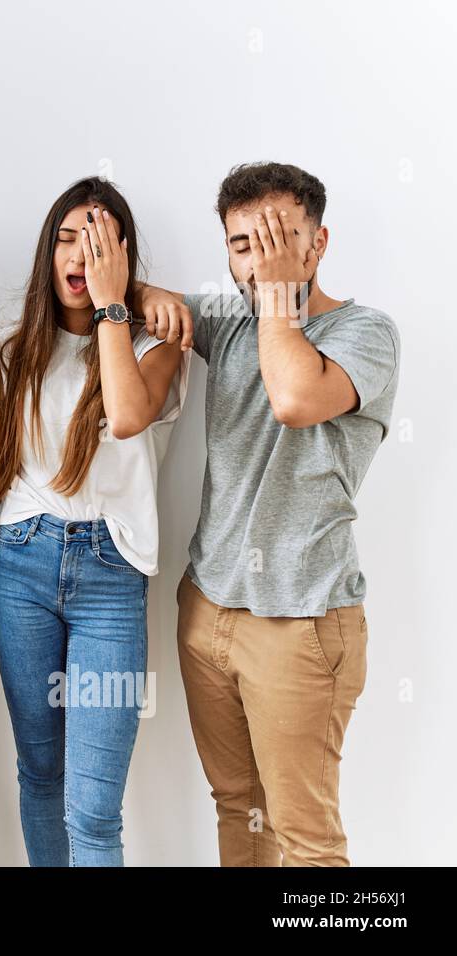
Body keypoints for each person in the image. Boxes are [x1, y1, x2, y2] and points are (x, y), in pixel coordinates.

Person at [134, 161, 401, 866]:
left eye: (279, 238)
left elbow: (293, 397)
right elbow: (129, 298)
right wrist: (136, 290)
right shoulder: (230, 320)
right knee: (240, 814)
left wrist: (278, 295)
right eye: (242, 244)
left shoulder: (365, 334)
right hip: (208, 610)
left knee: (305, 839)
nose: (258, 261)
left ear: (318, 244)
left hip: (301, 622)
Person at [0, 177, 190, 866]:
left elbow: (123, 417)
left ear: (121, 256)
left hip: (111, 578)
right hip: (21, 567)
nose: (80, 254)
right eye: (67, 238)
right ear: (46, 251)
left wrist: (119, 303)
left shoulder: (155, 343)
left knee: (93, 811)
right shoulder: (16, 345)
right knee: (41, 776)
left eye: (97, 242)